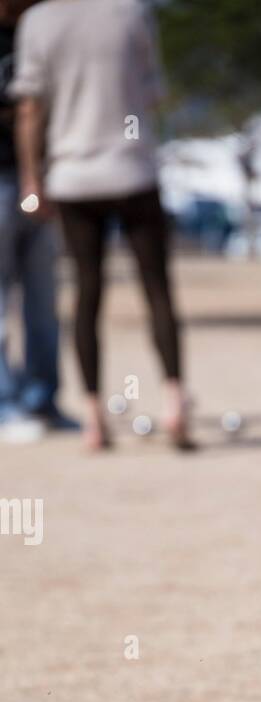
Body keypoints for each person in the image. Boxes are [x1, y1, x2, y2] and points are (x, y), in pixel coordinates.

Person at [12, 0, 193, 450]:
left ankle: (94, 417)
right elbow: (154, 92)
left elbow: (30, 108)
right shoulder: (132, 12)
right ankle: (174, 401)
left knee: (87, 295)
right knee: (158, 289)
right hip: (134, 170)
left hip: (74, 176)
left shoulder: (40, 21)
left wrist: (32, 180)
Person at [0, 0, 74, 442]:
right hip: (12, 181)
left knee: (43, 301)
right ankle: (5, 403)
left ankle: (43, 399)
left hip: (41, 185)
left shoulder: (38, 35)